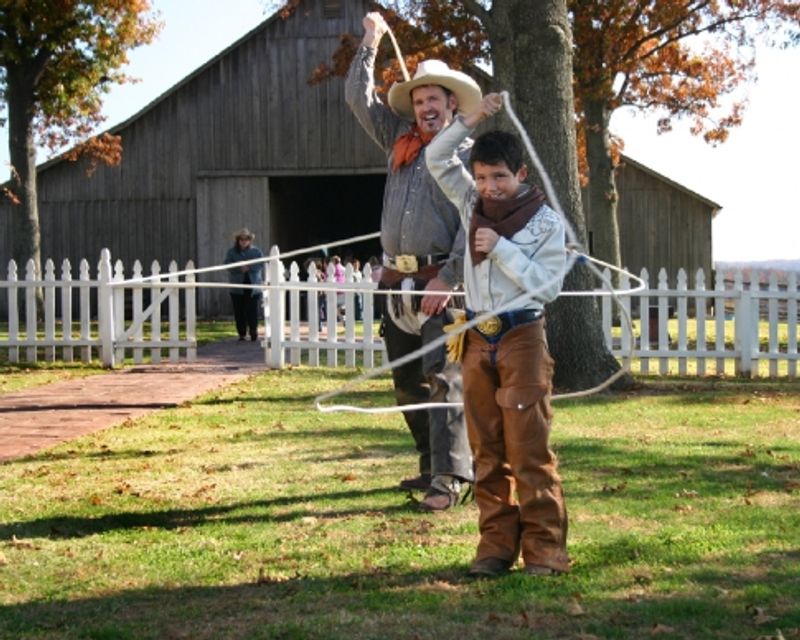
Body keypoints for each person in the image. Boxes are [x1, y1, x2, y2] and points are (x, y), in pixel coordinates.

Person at [425, 93, 570, 576]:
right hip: (475, 333)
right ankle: (494, 549)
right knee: (486, 449)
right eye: (483, 177)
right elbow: (437, 157)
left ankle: (546, 552)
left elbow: (548, 288)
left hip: (521, 336)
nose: (488, 187)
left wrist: (502, 248)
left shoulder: (546, 222)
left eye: (499, 177)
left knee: (528, 446)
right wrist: (472, 117)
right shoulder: (471, 203)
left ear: (521, 174)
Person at [345, 11, 481, 511]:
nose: (425, 107)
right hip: (394, 278)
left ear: (451, 105)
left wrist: (448, 278)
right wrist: (370, 42)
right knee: (406, 380)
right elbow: (357, 101)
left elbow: (475, 223)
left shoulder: (466, 157)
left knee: (444, 378)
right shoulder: (398, 144)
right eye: (419, 100)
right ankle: (429, 464)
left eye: (434, 100)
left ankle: (451, 478)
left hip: (440, 282)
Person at [224, 228, 265, 342]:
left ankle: (253, 331)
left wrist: (249, 267)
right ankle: (241, 333)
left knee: (252, 310)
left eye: (246, 239)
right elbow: (227, 265)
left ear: (249, 240)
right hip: (237, 286)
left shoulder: (256, 251)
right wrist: (239, 268)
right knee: (239, 310)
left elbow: (261, 263)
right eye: (241, 239)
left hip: (253, 286)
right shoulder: (231, 252)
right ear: (237, 240)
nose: (243, 241)